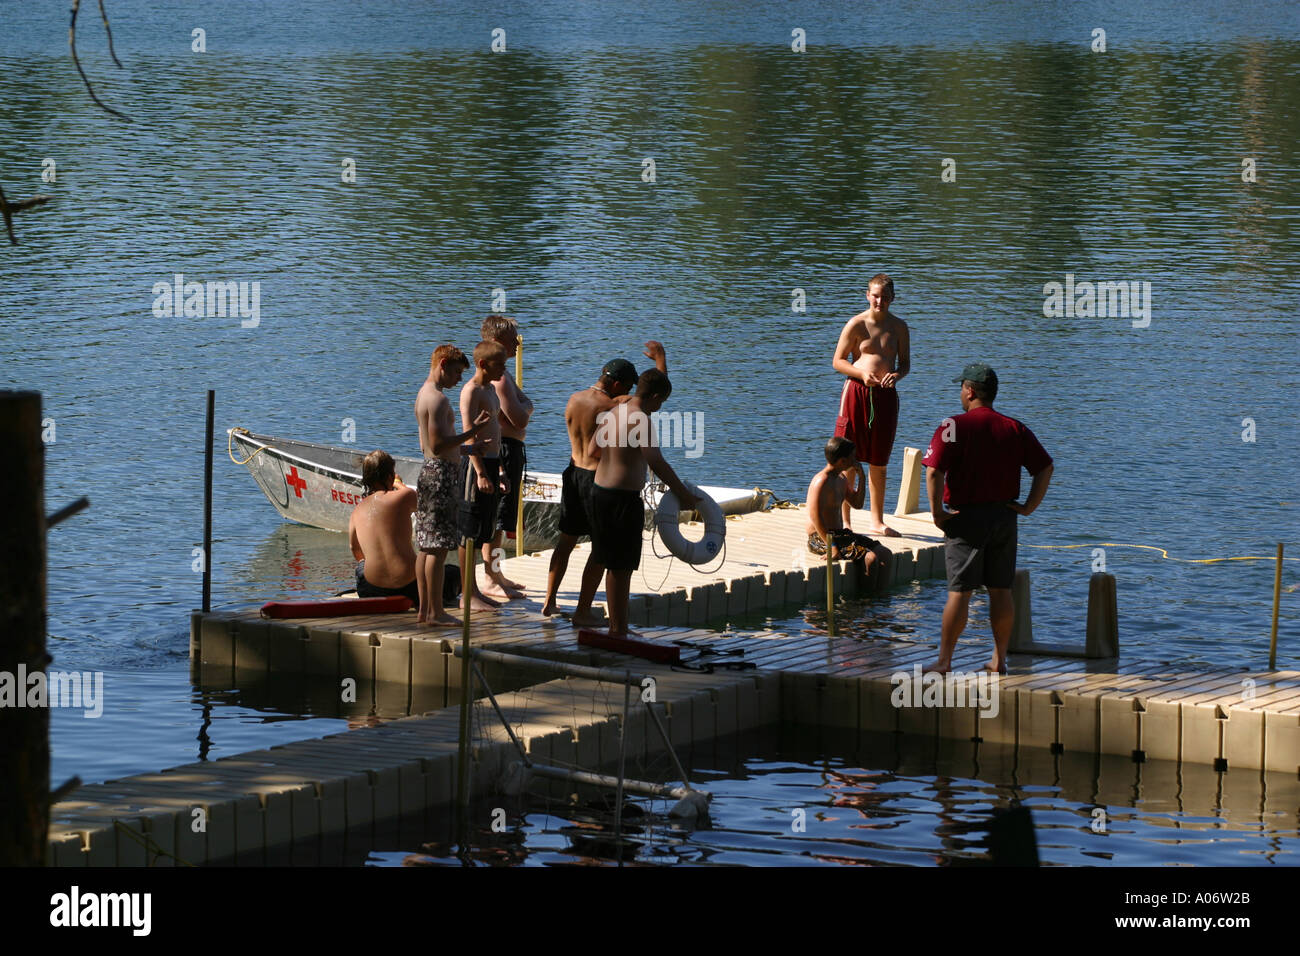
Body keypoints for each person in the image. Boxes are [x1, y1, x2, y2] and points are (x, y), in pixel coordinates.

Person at [922, 363, 1054, 674]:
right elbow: (1045, 467)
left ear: (969, 391)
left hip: (965, 518)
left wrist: (937, 512)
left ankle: (944, 662)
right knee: (1000, 589)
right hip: (1004, 516)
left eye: (961, 388)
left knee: (960, 591)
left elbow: (933, 471)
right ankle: (999, 660)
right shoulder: (1013, 427)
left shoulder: (952, 426)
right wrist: (1028, 507)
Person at [541, 342, 668, 625]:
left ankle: (549, 601)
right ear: (617, 384)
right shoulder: (613, 406)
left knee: (565, 543)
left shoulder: (575, 399)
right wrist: (661, 360)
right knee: (601, 549)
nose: (629, 392)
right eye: (627, 387)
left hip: (573, 473)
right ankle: (583, 611)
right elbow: (651, 395)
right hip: (597, 481)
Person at [586, 367, 697, 638]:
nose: (660, 408)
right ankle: (619, 629)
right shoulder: (641, 420)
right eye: (661, 402)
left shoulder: (614, 412)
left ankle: (616, 627)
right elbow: (655, 460)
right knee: (621, 567)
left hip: (599, 493)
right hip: (622, 499)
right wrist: (682, 492)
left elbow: (592, 450)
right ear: (655, 396)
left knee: (608, 560)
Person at [414, 344, 492, 626]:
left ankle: (425, 610)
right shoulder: (438, 400)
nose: (459, 379)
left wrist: (471, 450)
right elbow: (437, 444)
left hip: (430, 469)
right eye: (457, 372)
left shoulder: (424, 394)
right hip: (442, 476)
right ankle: (435, 612)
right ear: (443, 364)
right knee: (438, 546)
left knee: (426, 546)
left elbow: (431, 447)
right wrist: (472, 432)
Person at [832, 273, 911, 538]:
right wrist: (861, 374)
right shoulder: (856, 324)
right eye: (875, 296)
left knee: (879, 460)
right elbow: (838, 361)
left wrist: (897, 375)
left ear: (892, 299)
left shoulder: (899, 327)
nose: (880, 302)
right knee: (848, 458)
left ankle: (877, 521)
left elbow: (905, 364)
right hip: (856, 391)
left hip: (886, 396)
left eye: (885, 298)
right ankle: (845, 522)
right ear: (867, 295)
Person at [482, 314, 533, 599]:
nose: (517, 342)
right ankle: (489, 577)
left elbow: (523, 408)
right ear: (498, 340)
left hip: (511, 450)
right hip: (503, 451)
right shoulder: (500, 377)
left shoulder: (504, 373)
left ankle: (497, 572)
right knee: (498, 518)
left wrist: (523, 405)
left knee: (503, 519)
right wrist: (524, 405)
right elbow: (520, 417)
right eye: (513, 337)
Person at [459, 340, 511, 612]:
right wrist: (479, 472)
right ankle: (468, 593)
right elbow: (469, 433)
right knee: (469, 529)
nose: (504, 367)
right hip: (474, 466)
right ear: (482, 364)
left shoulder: (491, 389)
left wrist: (500, 469)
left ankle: (477, 589)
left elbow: (495, 434)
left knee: (485, 528)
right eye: (499, 363)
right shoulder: (471, 391)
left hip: (491, 462)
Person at [806, 436, 886, 575]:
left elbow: (857, 504)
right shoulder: (821, 482)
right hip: (820, 538)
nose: (855, 460)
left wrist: (862, 477)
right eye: (852, 457)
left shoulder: (841, 479)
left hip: (840, 535)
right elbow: (815, 517)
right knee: (871, 559)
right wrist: (833, 546)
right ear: (842, 461)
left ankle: (881, 597)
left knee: (885, 553)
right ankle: (865, 597)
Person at [349, 450, 419, 605]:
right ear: (389, 476)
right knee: (452, 574)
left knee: (361, 567)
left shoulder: (357, 510)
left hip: (371, 589)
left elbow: (355, 550)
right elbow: (419, 501)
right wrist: (398, 483)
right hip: (410, 587)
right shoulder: (404, 496)